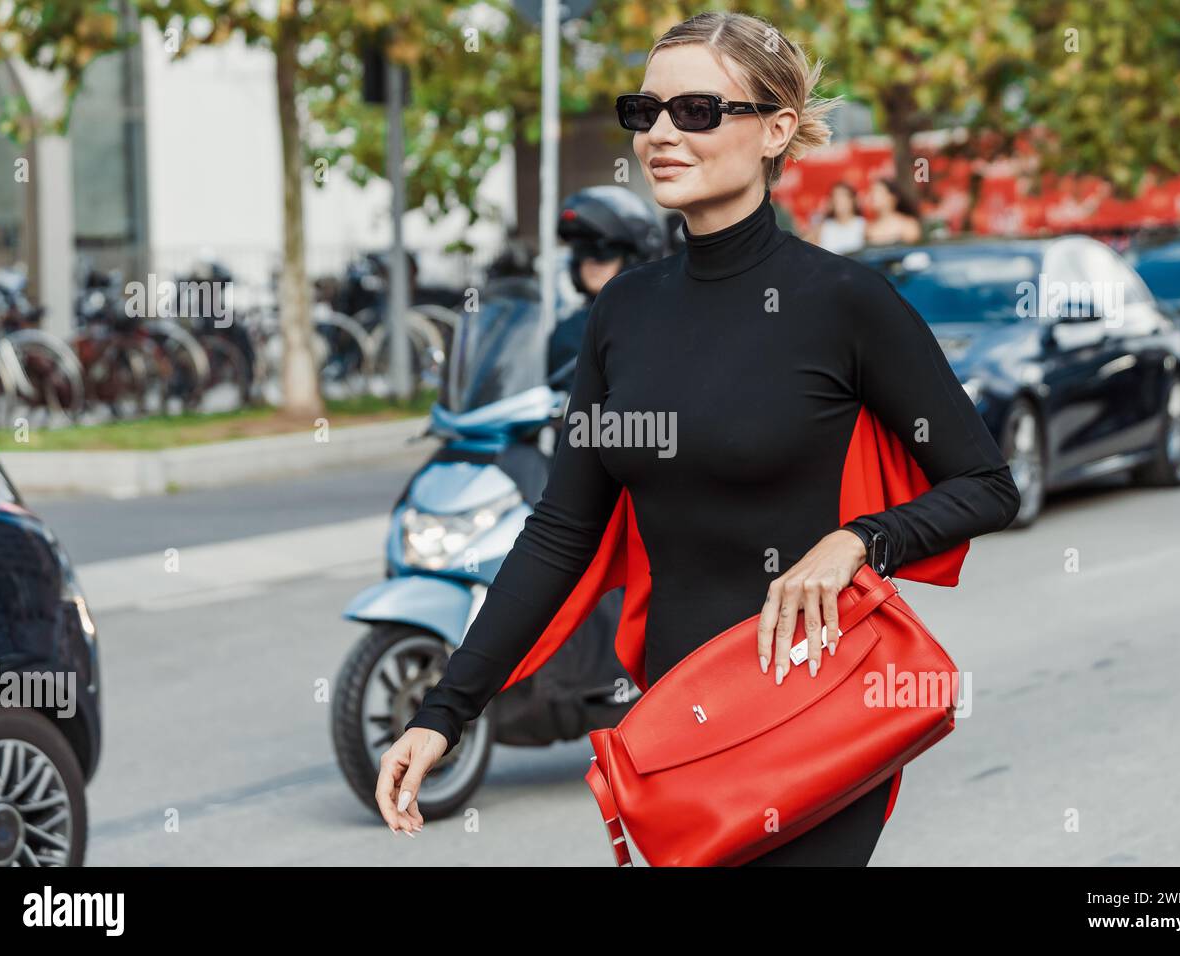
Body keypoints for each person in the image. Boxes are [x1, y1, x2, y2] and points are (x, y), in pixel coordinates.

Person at [377, 10, 1021, 866]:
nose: (660, 136)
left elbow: (986, 485)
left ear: (776, 130)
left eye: (697, 112)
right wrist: (444, 711)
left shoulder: (844, 302)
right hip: (682, 716)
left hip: (813, 708)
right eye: (645, 112)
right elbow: (562, 532)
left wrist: (859, 541)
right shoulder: (624, 312)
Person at [547, 186, 665, 384]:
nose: (591, 261)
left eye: (604, 250)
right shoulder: (570, 328)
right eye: (583, 250)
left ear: (633, 257)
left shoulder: (659, 322)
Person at [808, 180, 866, 254]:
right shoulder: (822, 228)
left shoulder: (863, 226)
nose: (838, 200)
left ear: (853, 200)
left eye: (843, 196)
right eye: (835, 196)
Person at [864, 177, 923, 245]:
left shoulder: (908, 225)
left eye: (878, 192)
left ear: (892, 197)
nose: (872, 196)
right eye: (871, 192)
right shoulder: (868, 229)